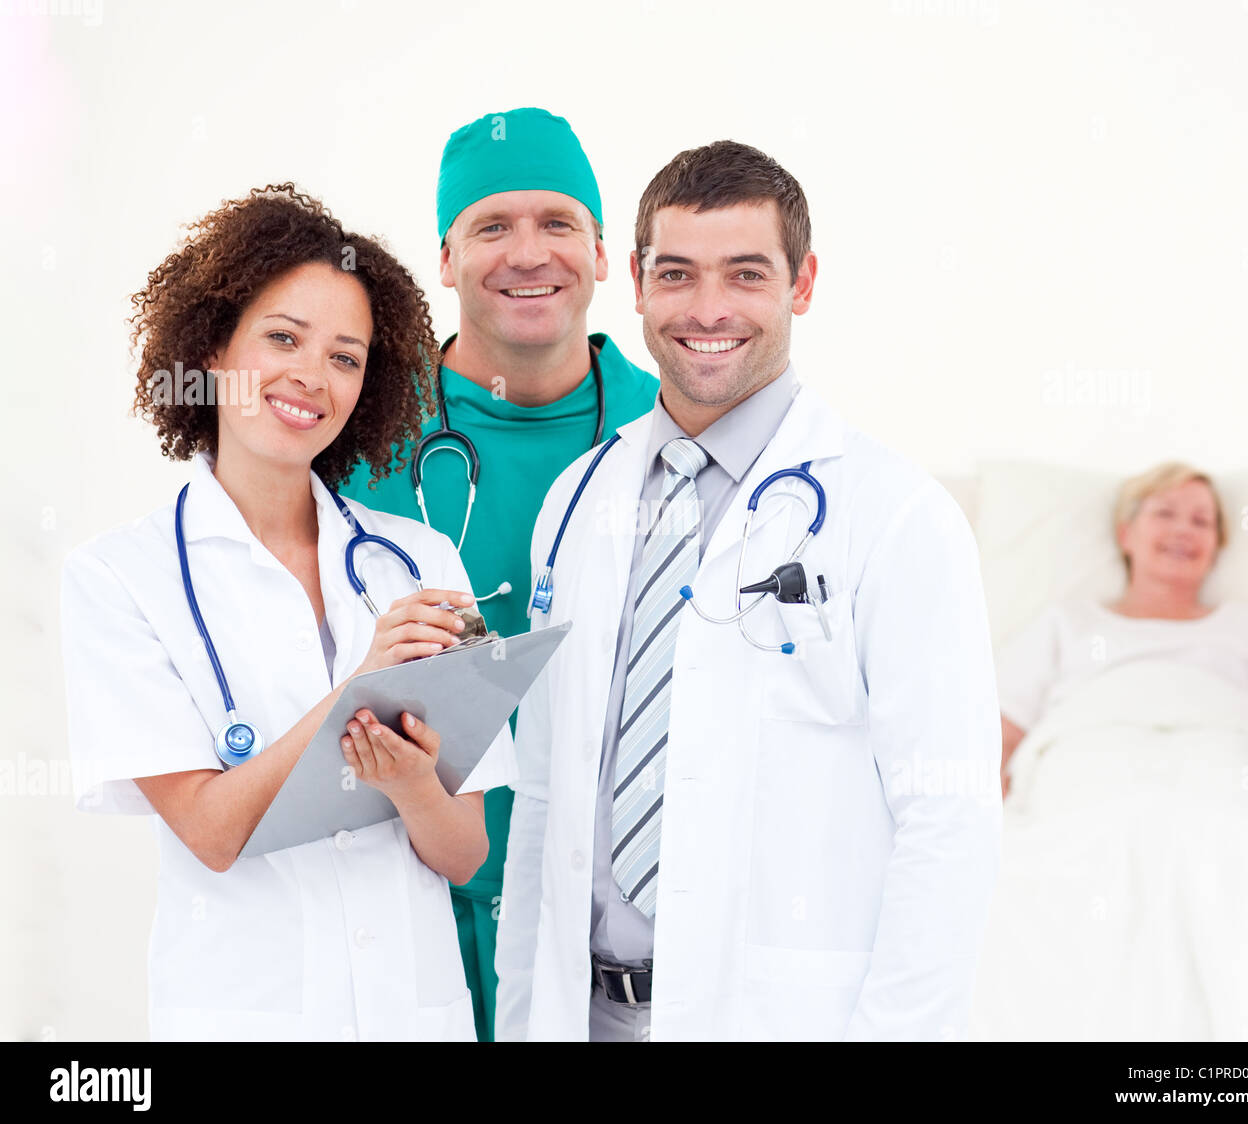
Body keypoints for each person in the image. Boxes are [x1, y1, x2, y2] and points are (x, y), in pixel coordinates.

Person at [494, 141, 1003, 1042]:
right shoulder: (578, 502)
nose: (709, 310)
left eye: (746, 273)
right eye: (678, 274)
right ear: (639, 287)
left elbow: (948, 821)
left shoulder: (893, 515)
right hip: (585, 1014)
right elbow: (543, 795)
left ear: (802, 285)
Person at [60, 184, 514, 1041]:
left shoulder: (421, 561)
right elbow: (213, 832)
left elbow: (464, 852)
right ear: (212, 347)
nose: (312, 376)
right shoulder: (120, 578)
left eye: (347, 357)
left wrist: (414, 781)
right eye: (281, 337)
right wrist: (361, 687)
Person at [340, 107, 658, 1040]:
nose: (529, 253)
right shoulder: (358, 434)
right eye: (492, 226)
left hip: (604, 916)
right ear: (446, 256)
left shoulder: (671, 431)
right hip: (403, 892)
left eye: (558, 223)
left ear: (603, 253)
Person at [998, 462, 1248, 794]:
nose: (1183, 530)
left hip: (1229, 777)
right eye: (1165, 514)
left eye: (1201, 521)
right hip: (1087, 775)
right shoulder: (1067, 622)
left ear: (1217, 547)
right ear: (1126, 534)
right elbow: (1000, 733)